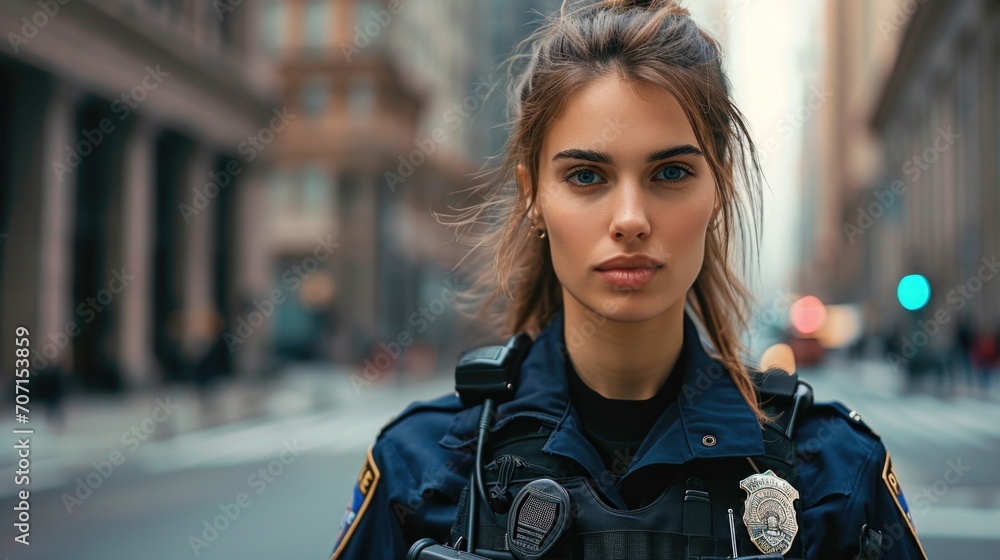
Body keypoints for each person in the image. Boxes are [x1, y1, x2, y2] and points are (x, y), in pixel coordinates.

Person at [327, 1, 928, 558]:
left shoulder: (833, 472)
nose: (631, 220)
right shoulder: (422, 466)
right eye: (587, 176)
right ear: (532, 195)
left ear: (717, 190)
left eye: (670, 172)